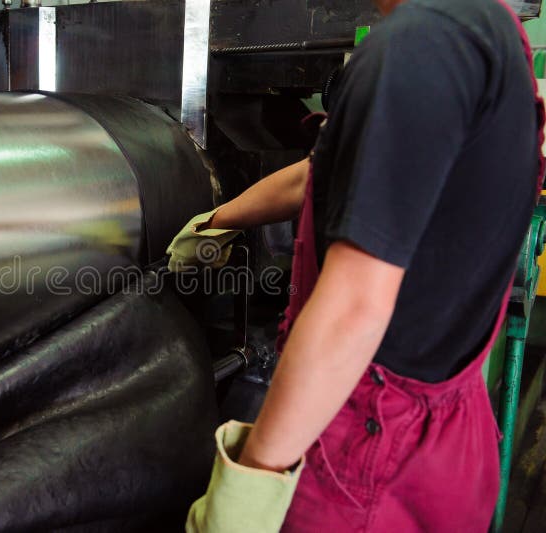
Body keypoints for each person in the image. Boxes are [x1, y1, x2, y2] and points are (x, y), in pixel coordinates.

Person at [174, 0, 546, 530]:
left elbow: (353, 307)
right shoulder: (491, 31)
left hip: (365, 454)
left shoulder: (418, 44)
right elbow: (321, 173)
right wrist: (215, 222)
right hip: (446, 439)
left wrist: (248, 489)